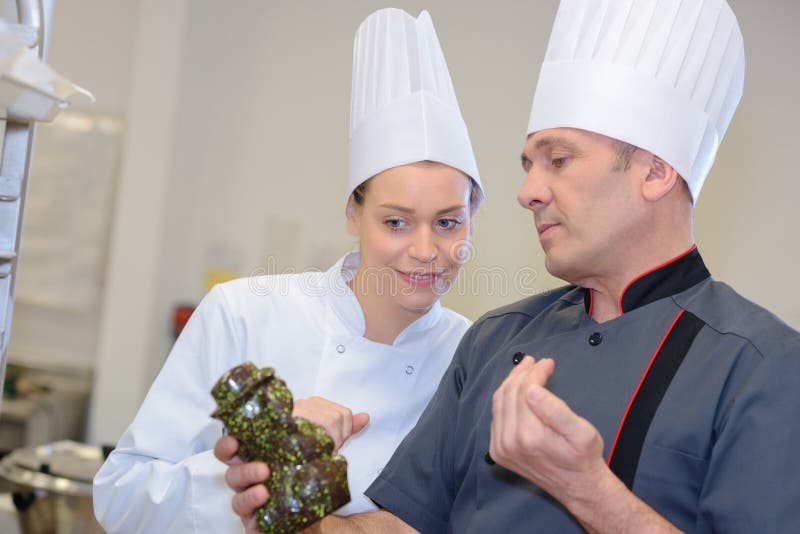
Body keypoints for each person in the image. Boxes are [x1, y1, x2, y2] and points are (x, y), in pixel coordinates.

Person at [222, 0, 800, 532]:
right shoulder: (496, 339)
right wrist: (293, 516)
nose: (527, 192)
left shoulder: (761, 366)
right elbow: (403, 526)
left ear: (655, 172)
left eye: (559, 160)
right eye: (528, 165)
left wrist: (587, 488)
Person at [92, 8, 485, 533]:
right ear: (353, 214)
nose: (425, 249)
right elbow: (121, 497)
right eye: (396, 222)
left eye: (447, 222)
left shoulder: (473, 357)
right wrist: (264, 461)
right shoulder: (243, 313)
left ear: (472, 219)